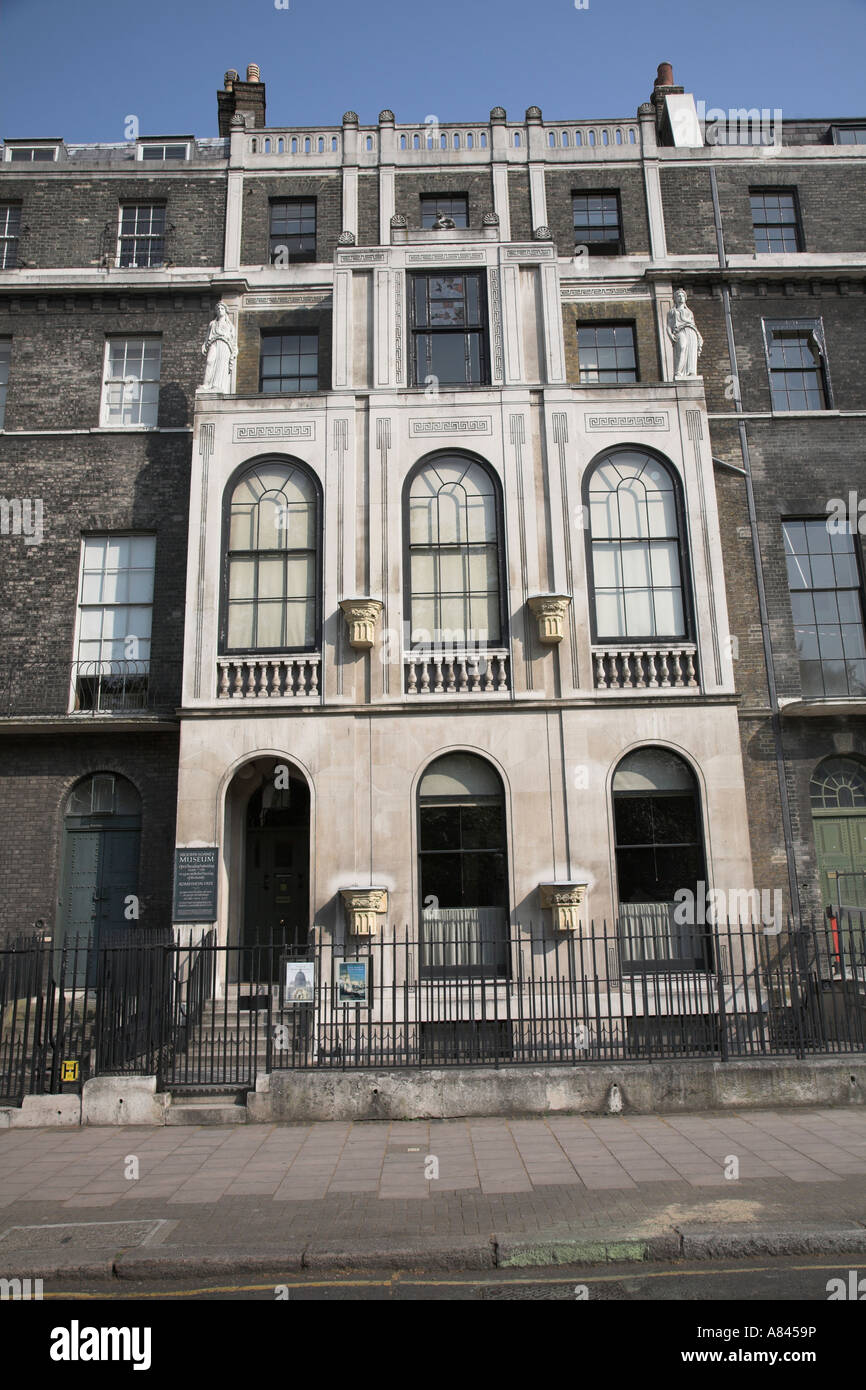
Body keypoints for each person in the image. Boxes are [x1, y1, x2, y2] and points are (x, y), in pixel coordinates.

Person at [666, 288, 703, 379]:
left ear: (685, 298)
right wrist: (670, 335)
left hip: (691, 331)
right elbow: (669, 326)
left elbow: (693, 324)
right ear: (675, 298)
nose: (681, 298)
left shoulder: (689, 312)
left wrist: (698, 336)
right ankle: (678, 372)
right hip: (679, 331)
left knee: (691, 351)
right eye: (679, 296)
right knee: (682, 347)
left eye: (682, 296)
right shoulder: (672, 311)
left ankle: (691, 372)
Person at [201, 301, 237, 392]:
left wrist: (234, 352)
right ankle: (206, 384)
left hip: (224, 345)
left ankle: (217, 386)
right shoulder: (212, 324)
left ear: (225, 311)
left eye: (222, 308)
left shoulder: (230, 326)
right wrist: (204, 345)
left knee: (221, 364)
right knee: (210, 361)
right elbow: (207, 337)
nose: (220, 310)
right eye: (218, 309)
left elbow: (233, 342)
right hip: (213, 343)